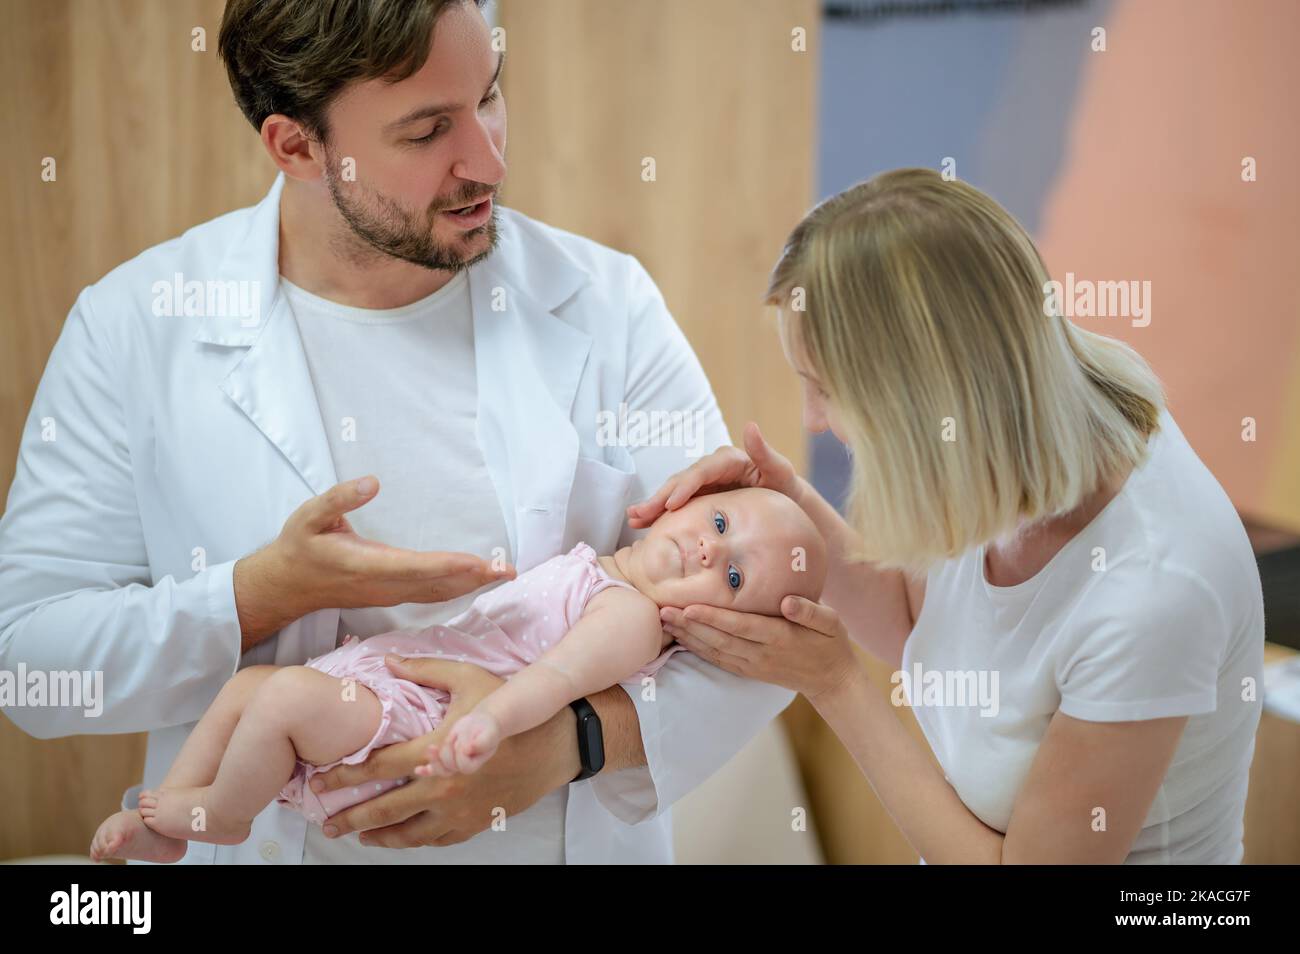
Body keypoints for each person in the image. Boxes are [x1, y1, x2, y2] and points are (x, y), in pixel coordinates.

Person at [0, 0, 794, 865]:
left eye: (490, 97)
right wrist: (256, 595)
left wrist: (569, 742)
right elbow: (30, 660)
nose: (488, 159)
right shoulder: (135, 328)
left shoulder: (609, 306)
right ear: (296, 146)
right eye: (427, 132)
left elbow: (765, 626)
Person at [635, 168, 1266, 864]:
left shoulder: (1152, 592)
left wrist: (834, 683)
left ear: (926, 398)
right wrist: (789, 508)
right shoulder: (1022, 419)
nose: (813, 421)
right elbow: (918, 625)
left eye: (825, 390)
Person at [89, 488, 827, 863]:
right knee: (245, 689)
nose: (706, 552)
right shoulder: (596, 566)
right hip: (397, 678)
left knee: (278, 697)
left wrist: (488, 725)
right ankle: (171, 816)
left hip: (428, 714)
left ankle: (226, 813)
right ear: (692, 497)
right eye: (722, 525)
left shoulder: (633, 615)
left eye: (731, 576)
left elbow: (557, 678)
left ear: (716, 624)